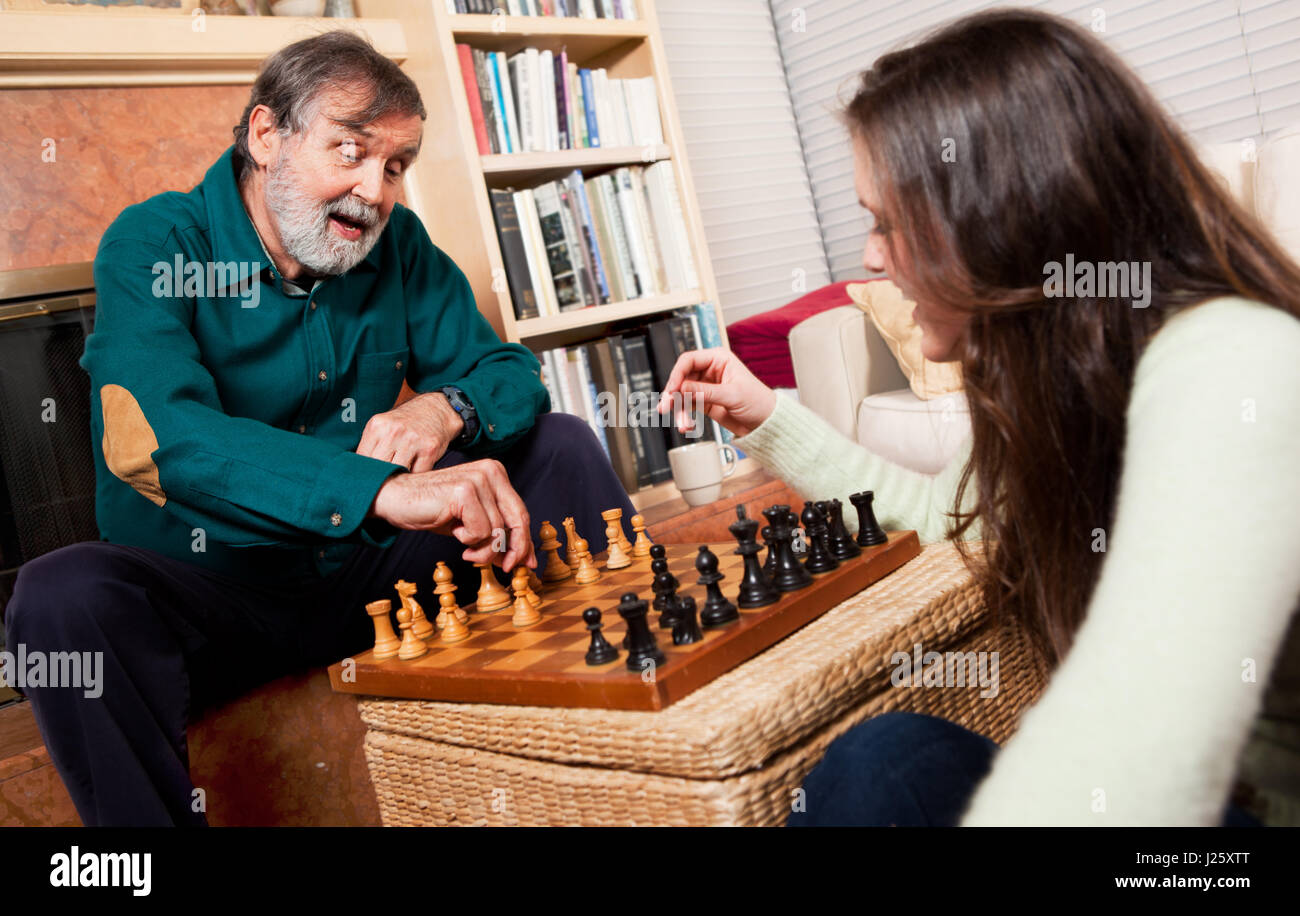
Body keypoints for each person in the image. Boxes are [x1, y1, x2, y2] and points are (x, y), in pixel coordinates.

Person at [660, 9, 1300, 826]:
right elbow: (942, 517)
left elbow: (1135, 768)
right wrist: (767, 416)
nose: (870, 257)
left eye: (888, 221)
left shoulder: (1231, 361)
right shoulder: (1059, 389)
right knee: (881, 761)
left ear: (1003, 213)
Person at [2, 32, 633, 826]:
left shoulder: (395, 243)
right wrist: (379, 491)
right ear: (267, 137)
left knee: (562, 443)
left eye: (396, 165)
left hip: (365, 579)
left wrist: (445, 408)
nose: (374, 191)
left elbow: (508, 373)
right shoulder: (155, 243)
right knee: (60, 596)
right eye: (350, 150)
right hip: (218, 601)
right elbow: (155, 441)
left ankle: (639, 731)